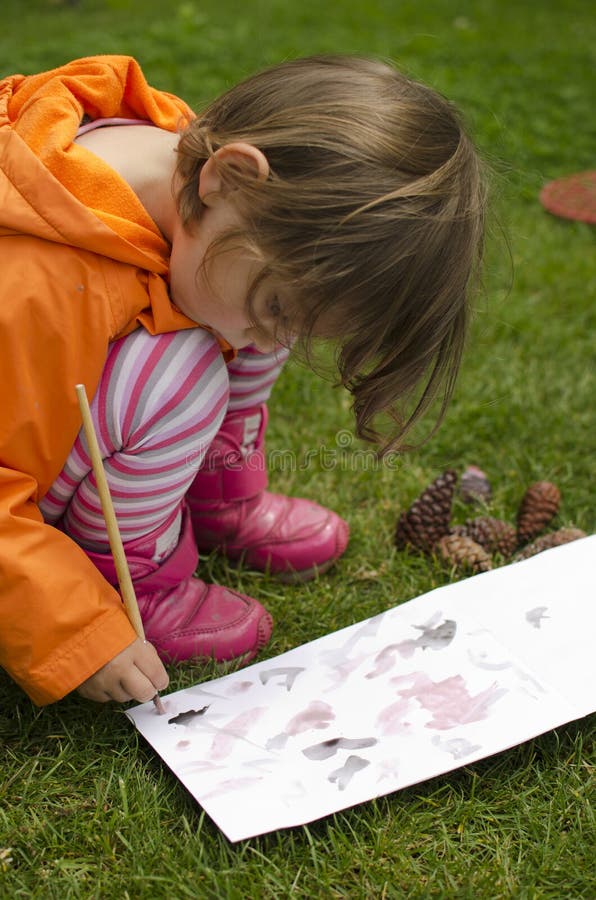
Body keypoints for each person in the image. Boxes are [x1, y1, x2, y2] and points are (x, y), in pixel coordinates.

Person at [0, 54, 486, 708]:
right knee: (181, 372)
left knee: (244, 316)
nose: (282, 340)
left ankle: (216, 494)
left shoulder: (209, 195)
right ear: (228, 175)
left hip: (66, 417)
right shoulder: (34, 285)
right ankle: (129, 580)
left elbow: (254, 308)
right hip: (23, 484)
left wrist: (270, 318)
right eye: (282, 310)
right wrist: (78, 628)